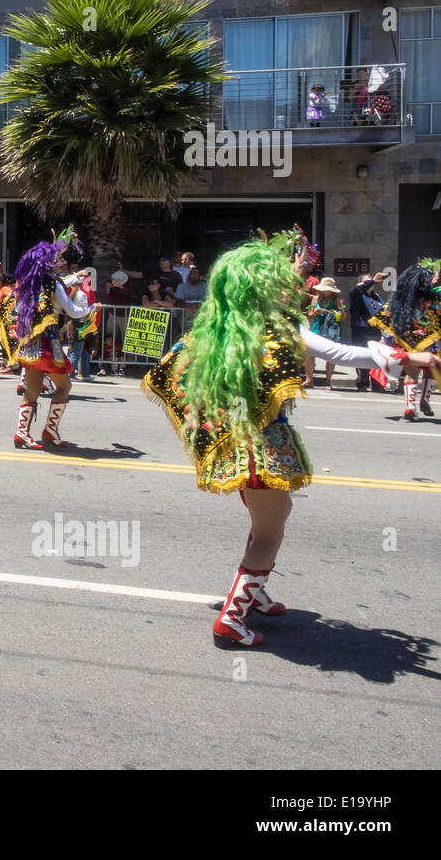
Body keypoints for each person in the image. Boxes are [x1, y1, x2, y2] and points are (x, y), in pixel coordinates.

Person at [143, 232, 435, 648]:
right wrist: (411, 357)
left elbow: (169, 378)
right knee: (269, 534)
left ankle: (255, 594)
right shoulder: (276, 329)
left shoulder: (214, 330)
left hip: (237, 442)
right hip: (261, 448)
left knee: (272, 519)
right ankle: (232, 619)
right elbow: (342, 354)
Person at [11, 230, 95, 450]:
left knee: (32, 391)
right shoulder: (54, 285)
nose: (60, 262)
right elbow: (75, 312)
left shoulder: (30, 285)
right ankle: (50, 430)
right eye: (56, 260)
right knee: (64, 386)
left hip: (30, 343)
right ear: (48, 265)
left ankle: (21, 433)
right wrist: (93, 308)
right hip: (49, 344)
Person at [369, 265, 441, 420]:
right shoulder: (432, 299)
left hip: (405, 341)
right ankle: (424, 400)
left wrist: (388, 337)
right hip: (427, 342)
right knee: (430, 370)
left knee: (411, 372)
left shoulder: (399, 300)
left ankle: (410, 407)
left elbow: (386, 318)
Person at [348, 272, 387, 391]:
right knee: (362, 357)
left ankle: (377, 384)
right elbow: (358, 290)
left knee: (377, 357)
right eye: (367, 282)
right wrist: (374, 280)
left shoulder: (376, 296)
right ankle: (362, 383)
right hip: (361, 330)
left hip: (375, 330)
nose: (370, 283)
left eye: (372, 281)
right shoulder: (356, 294)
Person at [304, 278, 344, 389]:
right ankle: (309, 379)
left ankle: (328, 381)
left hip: (331, 330)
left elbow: (343, 316)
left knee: (330, 356)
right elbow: (310, 314)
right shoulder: (315, 299)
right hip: (317, 327)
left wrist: (326, 312)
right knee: (309, 354)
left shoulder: (338, 300)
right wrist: (314, 312)